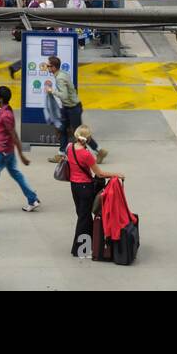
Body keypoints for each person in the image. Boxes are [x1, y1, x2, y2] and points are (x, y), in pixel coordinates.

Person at [0, 85, 40, 213]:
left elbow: (14, 135)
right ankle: (32, 199)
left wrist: (22, 155)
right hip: (7, 151)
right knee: (16, 174)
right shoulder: (3, 109)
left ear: (1, 98)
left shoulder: (6, 115)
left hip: (2, 152)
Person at [65, 125, 123, 257]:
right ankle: (80, 250)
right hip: (85, 188)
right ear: (88, 138)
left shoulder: (69, 148)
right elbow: (100, 174)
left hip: (74, 186)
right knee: (84, 219)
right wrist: (116, 174)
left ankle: (90, 243)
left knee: (82, 215)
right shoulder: (86, 154)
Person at [44, 56, 105, 163]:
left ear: (53, 67)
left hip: (72, 109)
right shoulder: (62, 73)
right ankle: (61, 154)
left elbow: (64, 95)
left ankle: (99, 151)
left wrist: (51, 91)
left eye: (48, 66)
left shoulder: (60, 78)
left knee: (80, 134)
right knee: (62, 129)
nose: (47, 68)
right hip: (68, 108)